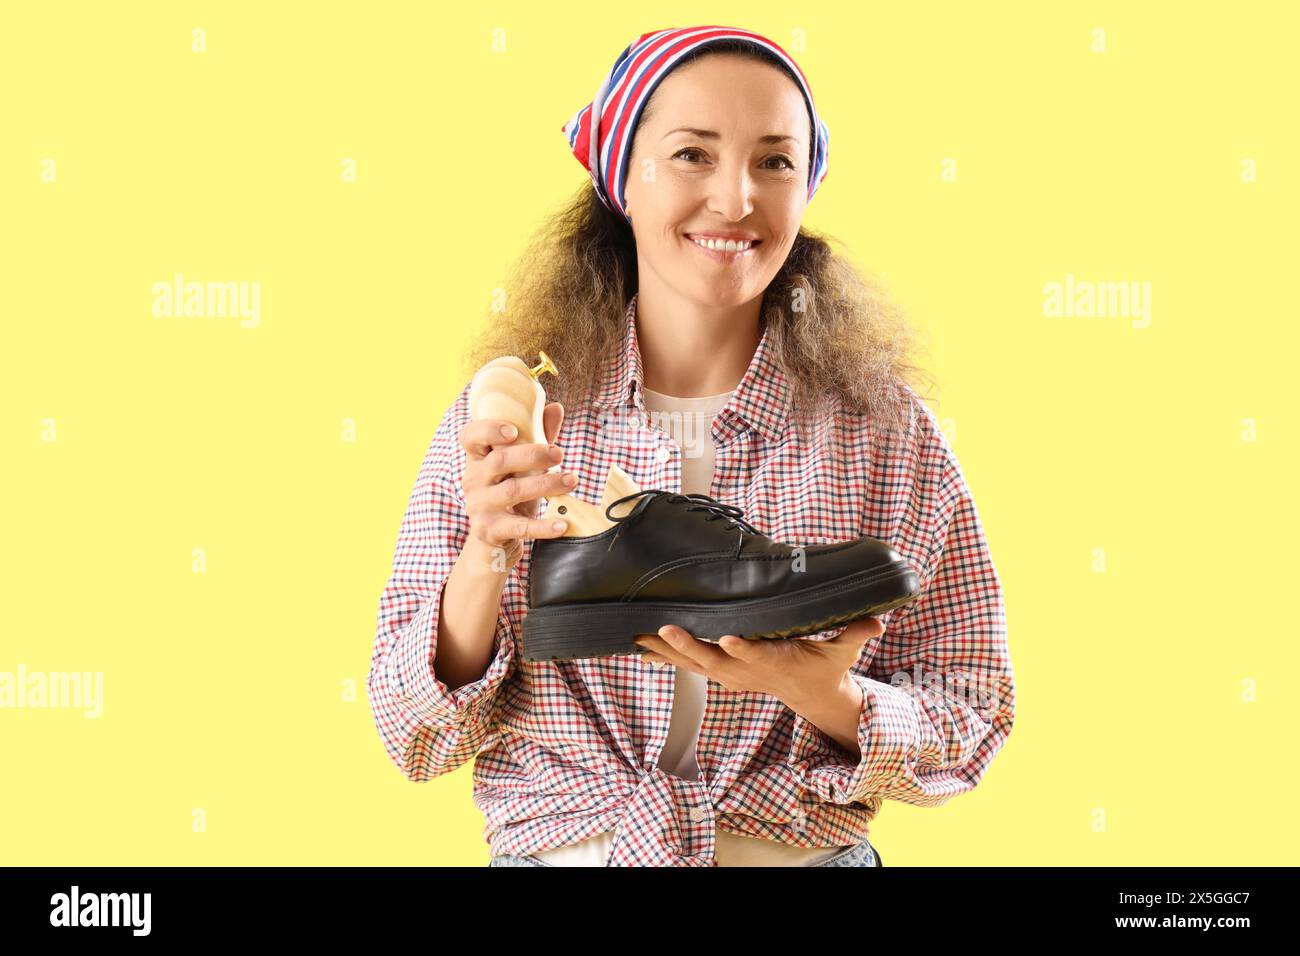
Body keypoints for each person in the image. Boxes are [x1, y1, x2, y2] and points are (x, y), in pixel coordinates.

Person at [367, 25, 1016, 867]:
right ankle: (639, 543)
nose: (737, 197)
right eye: (691, 155)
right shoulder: (521, 421)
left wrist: (831, 696)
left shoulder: (887, 431)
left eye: (775, 161)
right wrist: (488, 552)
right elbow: (412, 734)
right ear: (623, 180)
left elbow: (975, 711)